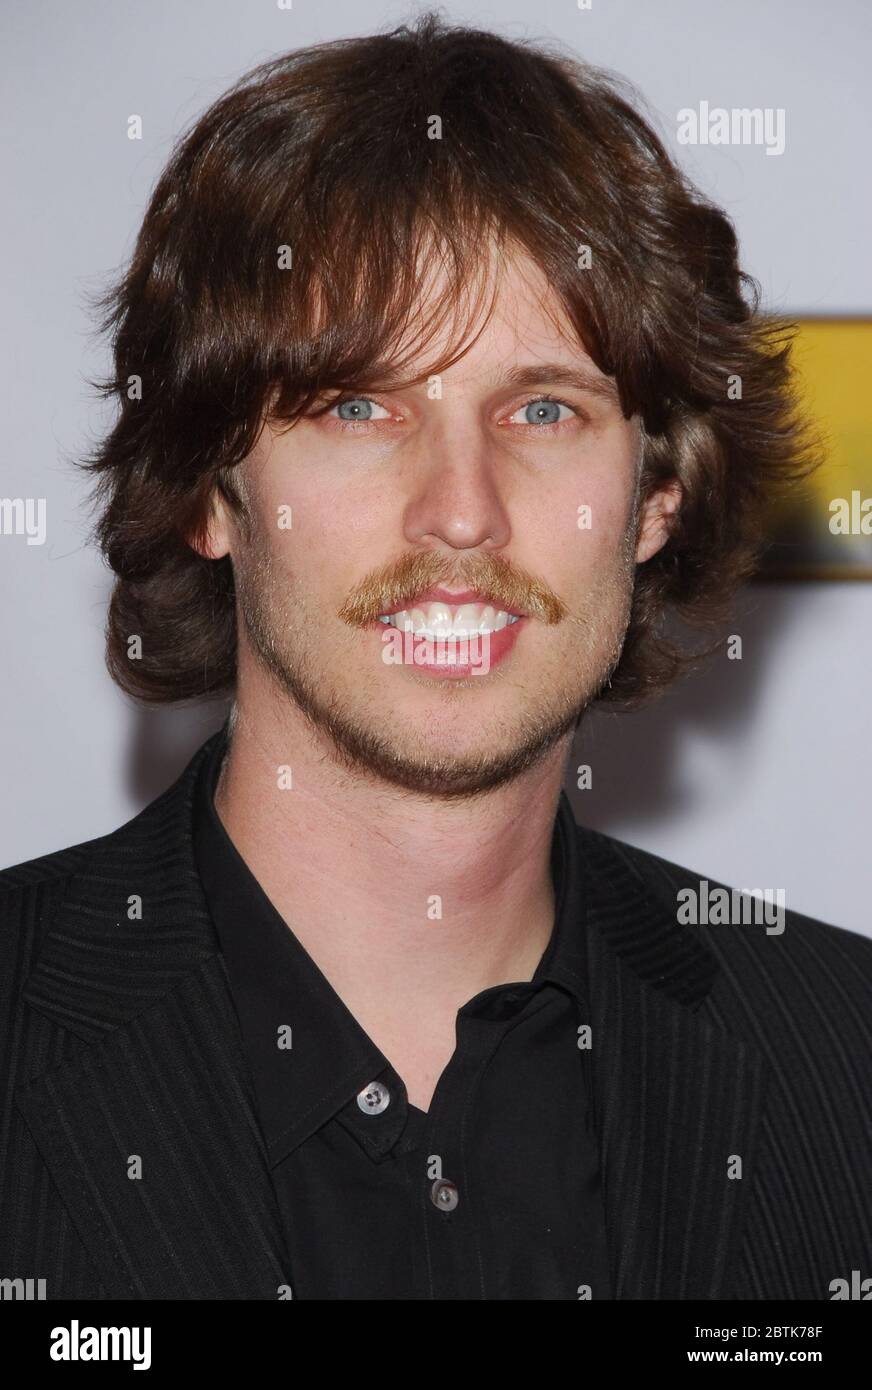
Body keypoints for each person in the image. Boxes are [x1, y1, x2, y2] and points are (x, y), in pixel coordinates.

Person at [1, 11, 870, 1302]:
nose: (460, 509)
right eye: (359, 405)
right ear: (208, 492)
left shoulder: (844, 1061)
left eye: (542, 409)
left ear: (654, 499)